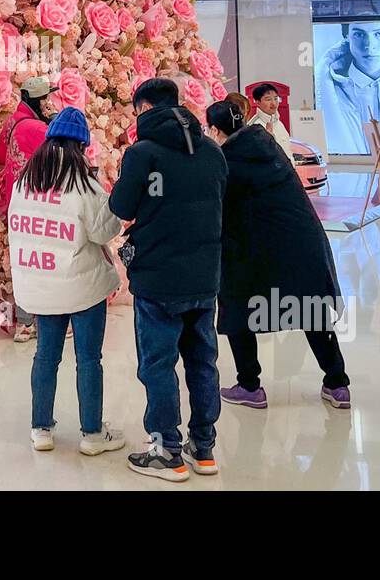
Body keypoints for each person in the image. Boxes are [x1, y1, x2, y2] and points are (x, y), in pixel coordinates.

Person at [109, 78, 229, 482]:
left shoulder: (142, 153)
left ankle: (166, 451)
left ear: (143, 108)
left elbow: (121, 205)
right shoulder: (212, 150)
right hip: (205, 276)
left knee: (158, 364)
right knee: (203, 360)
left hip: (158, 278)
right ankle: (204, 447)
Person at [205, 99, 351, 410]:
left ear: (215, 130)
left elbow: (219, 208)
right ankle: (337, 384)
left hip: (252, 249)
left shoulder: (224, 162)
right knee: (311, 310)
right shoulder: (269, 147)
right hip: (304, 242)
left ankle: (250, 386)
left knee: (238, 310)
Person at [8, 107, 126, 457]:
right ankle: (92, 434)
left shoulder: (25, 182)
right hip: (82, 287)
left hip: (41, 283)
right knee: (88, 359)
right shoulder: (83, 184)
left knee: (46, 357)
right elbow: (104, 229)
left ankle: (40, 429)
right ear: (82, 145)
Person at [0, 75, 53, 341]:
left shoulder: (11, 122)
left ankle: (24, 323)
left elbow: (0, 157)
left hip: (15, 202)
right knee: (41, 264)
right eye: (46, 99)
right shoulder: (38, 128)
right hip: (37, 204)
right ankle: (34, 323)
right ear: (38, 100)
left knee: (23, 262)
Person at [315, 20, 380, 155]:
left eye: (379, 34)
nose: (369, 45)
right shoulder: (329, 89)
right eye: (359, 34)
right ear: (347, 37)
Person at [247, 82, 294, 164]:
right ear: (257, 103)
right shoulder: (255, 126)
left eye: (276, 98)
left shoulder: (279, 123)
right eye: (268, 99)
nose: (273, 103)